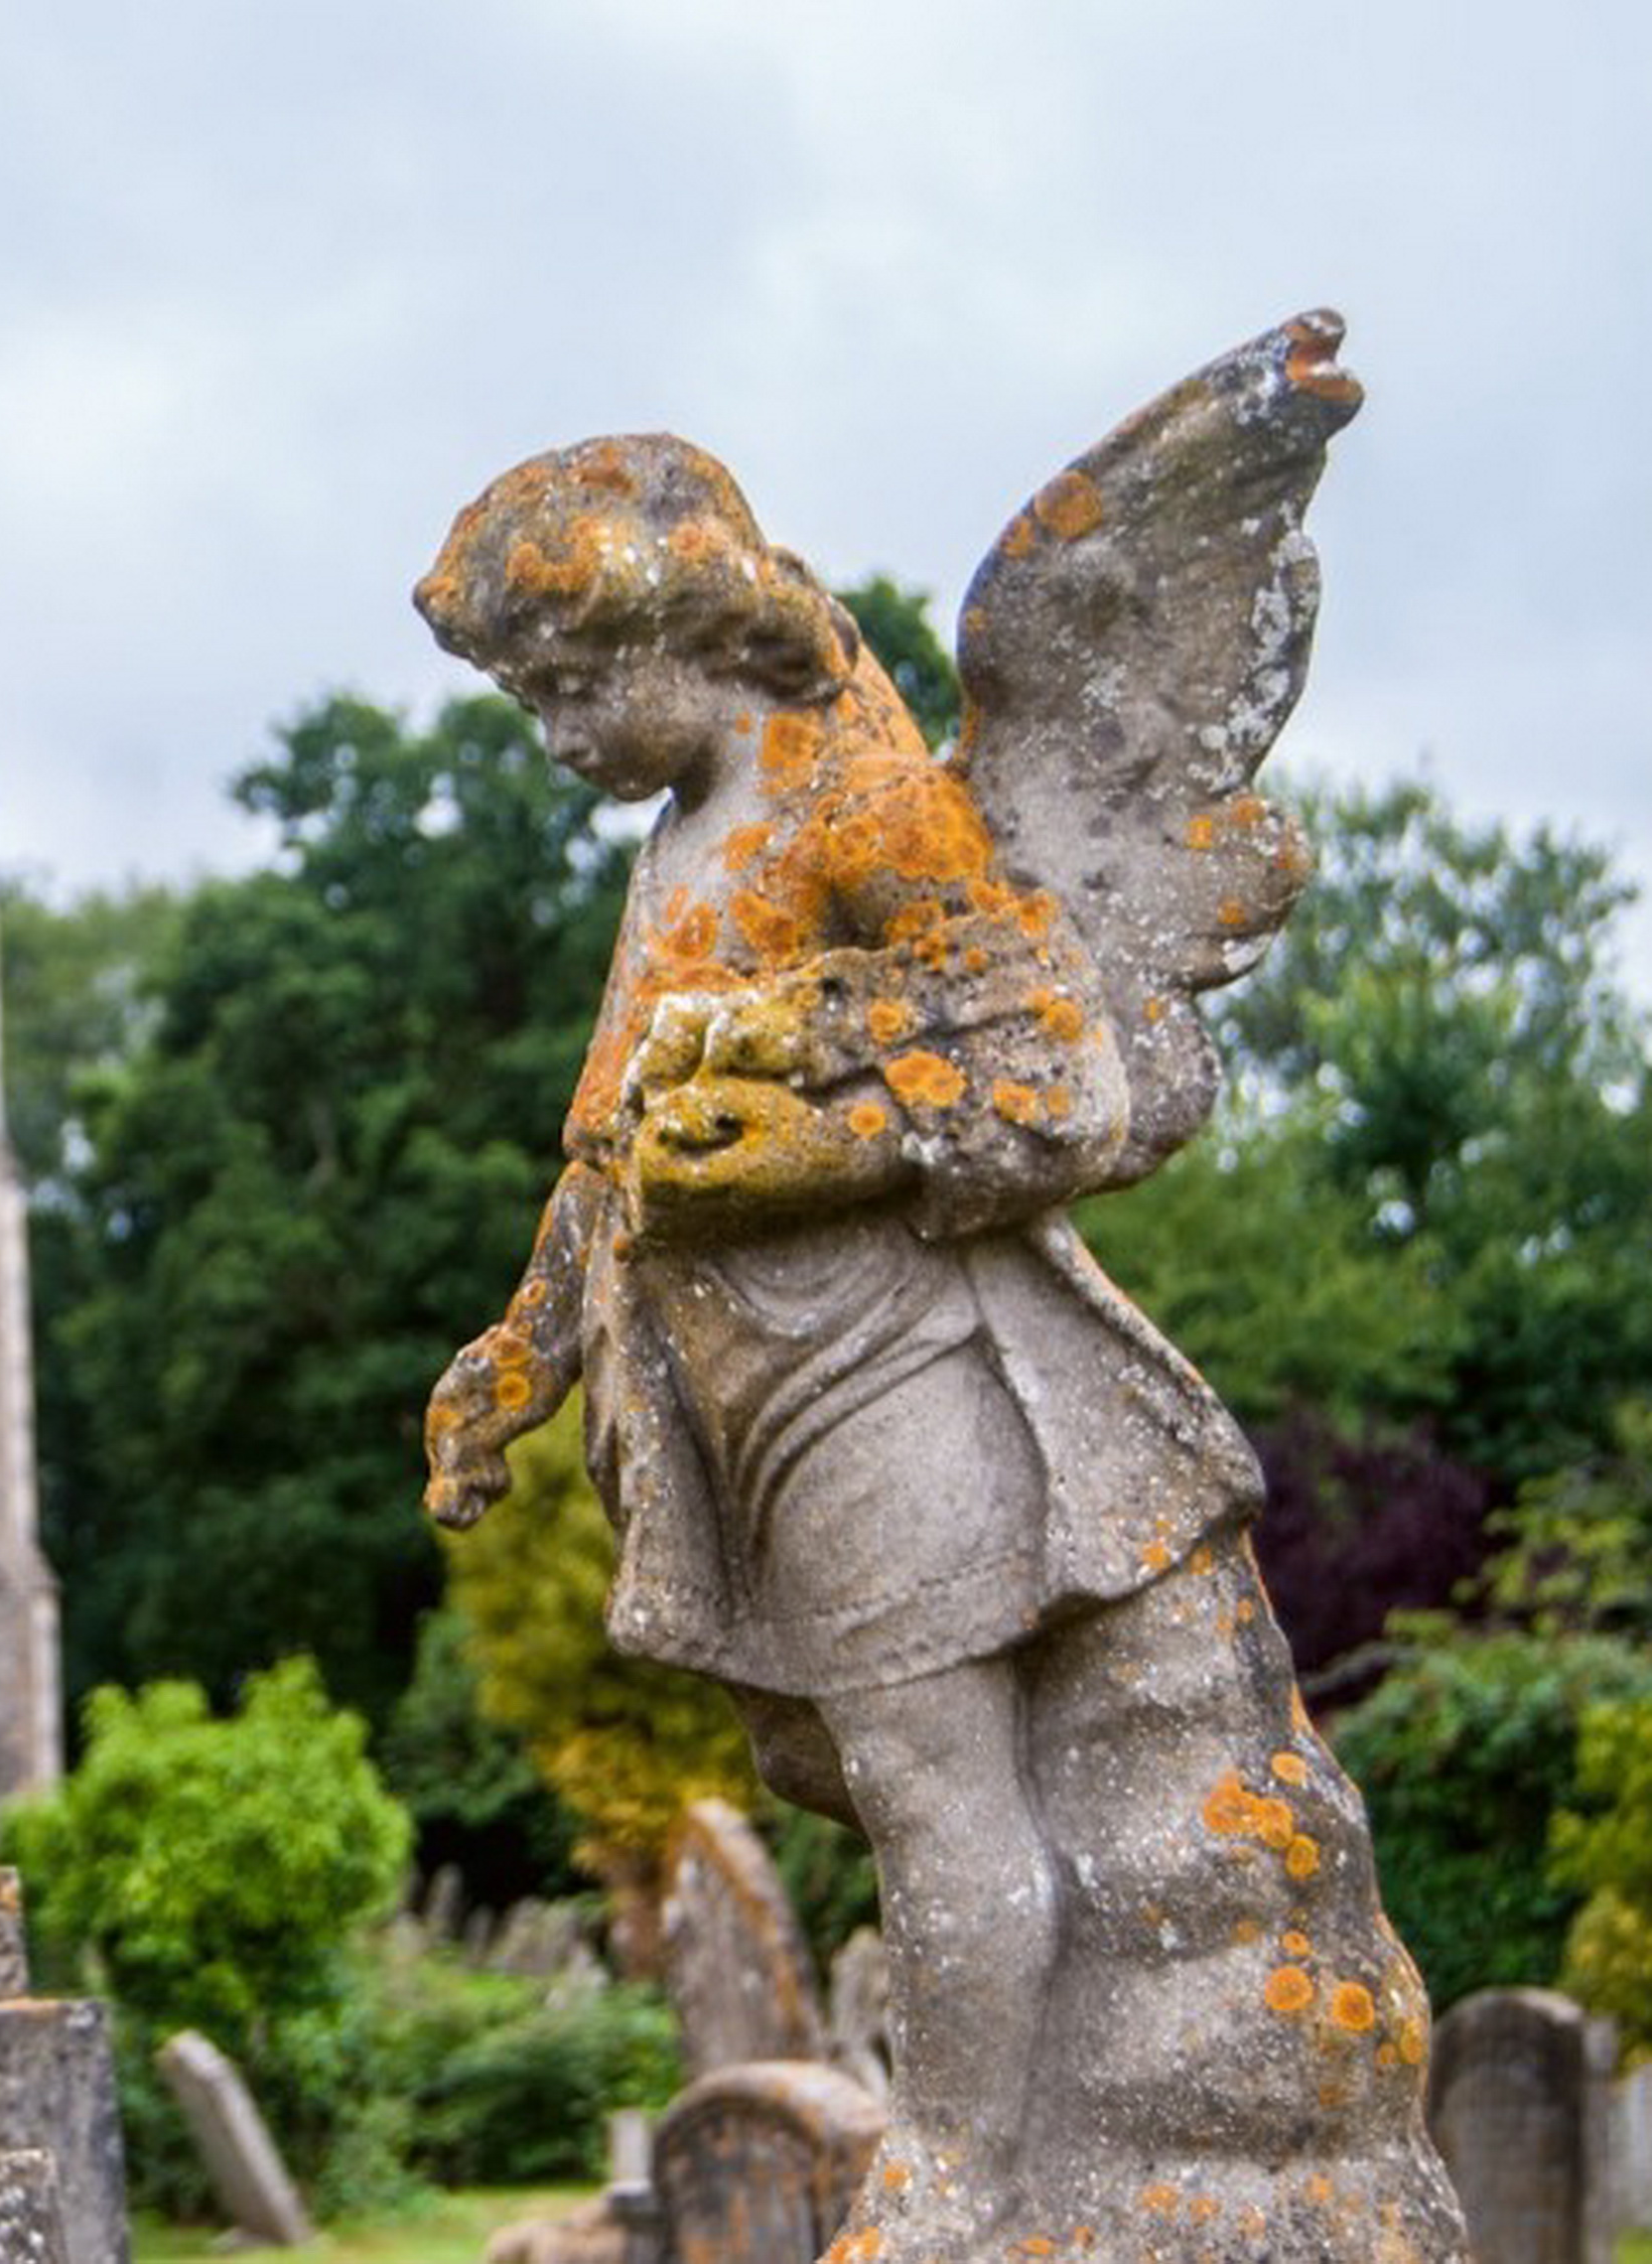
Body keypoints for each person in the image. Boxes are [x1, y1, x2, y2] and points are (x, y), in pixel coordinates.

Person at [414, 433, 1260, 2182]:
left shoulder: (859, 801)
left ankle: (963, 2175)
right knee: (885, 1793)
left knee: (937, 1795)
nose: (561, 738)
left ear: (695, 625)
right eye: (531, 704)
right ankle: (993, 2156)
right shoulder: (677, 847)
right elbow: (607, 1160)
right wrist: (519, 1354)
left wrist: (806, 1147)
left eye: (575, 688)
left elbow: (1061, 1076)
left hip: (896, 1378)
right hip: (747, 1410)